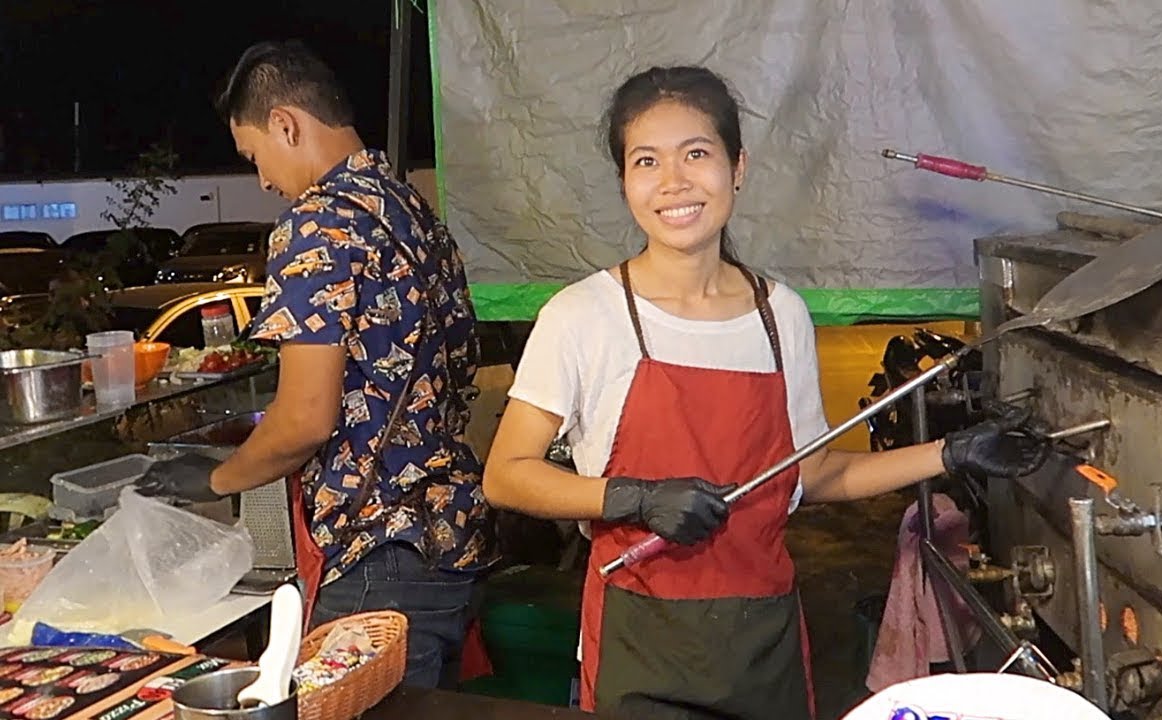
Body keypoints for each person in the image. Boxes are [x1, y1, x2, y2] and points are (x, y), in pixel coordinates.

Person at [481, 65, 1048, 719]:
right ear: (624, 181)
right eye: (647, 161)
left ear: (737, 166)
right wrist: (631, 496)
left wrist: (953, 453)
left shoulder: (780, 314)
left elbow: (815, 473)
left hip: (763, 640)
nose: (674, 182)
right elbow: (507, 475)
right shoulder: (584, 315)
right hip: (640, 639)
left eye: (697, 153)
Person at [135, 41, 498, 690]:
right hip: (450, 536)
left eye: (255, 157)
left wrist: (218, 480)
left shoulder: (318, 222)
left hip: (379, 551)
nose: (265, 181)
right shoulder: (415, 212)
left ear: (286, 124)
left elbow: (305, 419)